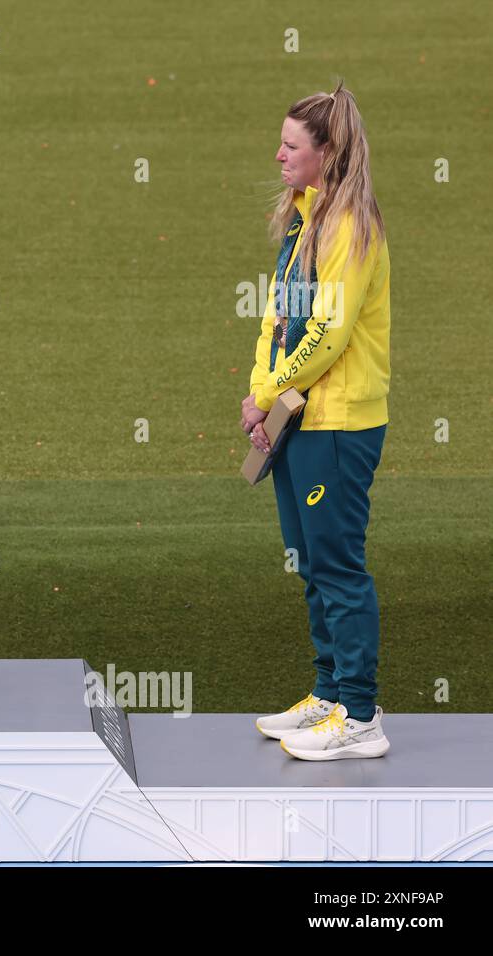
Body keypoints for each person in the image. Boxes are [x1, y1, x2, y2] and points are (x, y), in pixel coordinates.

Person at [245, 84, 392, 760]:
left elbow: (329, 335)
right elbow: (277, 320)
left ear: (327, 153)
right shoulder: (304, 219)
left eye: (292, 146)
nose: (278, 155)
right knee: (310, 561)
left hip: (338, 423)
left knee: (337, 566)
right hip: (297, 416)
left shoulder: (350, 230)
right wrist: (259, 396)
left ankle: (360, 717)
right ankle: (330, 693)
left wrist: (274, 388)